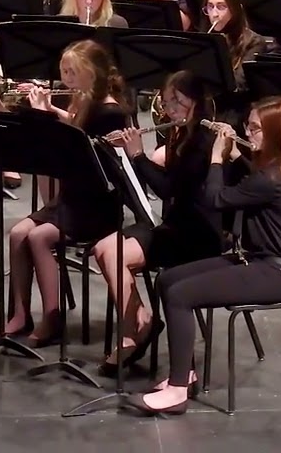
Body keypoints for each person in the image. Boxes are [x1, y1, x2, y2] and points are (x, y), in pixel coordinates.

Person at [128, 96, 281, 415]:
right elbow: (250, 179)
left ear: (275, 134)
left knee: (180, 294)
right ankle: (183, 371)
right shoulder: (277, 167)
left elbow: (214, 199)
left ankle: (176, 390)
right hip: (263, 261)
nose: (249, 131)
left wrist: (217, 157)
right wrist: (239, 152)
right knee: (168, 278)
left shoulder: (271, 178)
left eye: (255, 128)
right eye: (248, 126)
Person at [93, 71, 223, 374]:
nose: (170, 110)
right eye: (166, 103)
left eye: (178, 101)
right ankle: (141, 321)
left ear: (197, 101)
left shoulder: (203, 141)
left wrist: (138, 156)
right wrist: (126, 157)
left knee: (116, 255)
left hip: (198, 237)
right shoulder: (181, 133)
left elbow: (167, 189)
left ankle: (133, 332)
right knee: (102, 248)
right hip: (174, 227)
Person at [3, 40, 129, 345]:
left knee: (38, 237)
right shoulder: (84, 100)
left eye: (72, 73)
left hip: (96, 203)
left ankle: (52, 316)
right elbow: (76, 126)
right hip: (73, 197)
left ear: (92, 73)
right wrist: (52, 111)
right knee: (18, 233)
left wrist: (44, 119)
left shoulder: (110, 112)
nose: (66, 80)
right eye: (64, 72)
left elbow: (81, 147)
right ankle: (20, 313)